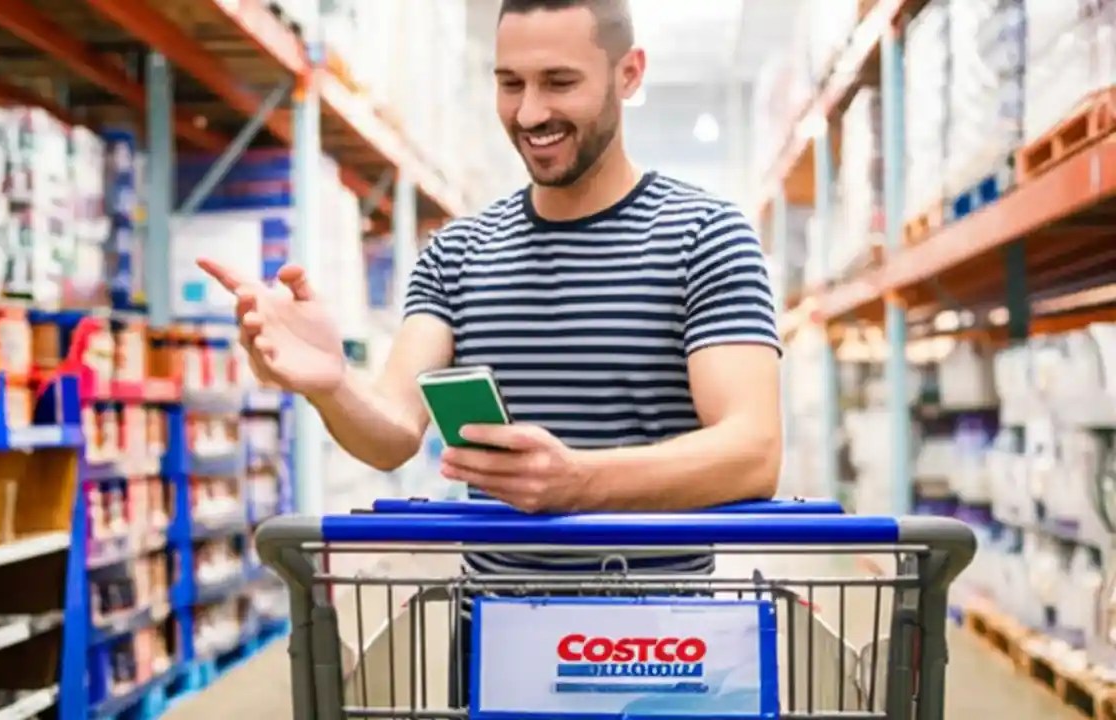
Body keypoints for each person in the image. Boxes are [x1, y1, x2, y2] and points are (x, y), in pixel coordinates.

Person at [200, 0, 782, 701]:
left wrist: (580, 483)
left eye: (559, 82)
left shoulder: (706, 237)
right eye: (511, 83)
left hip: (661, 647)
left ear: (629, 74)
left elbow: (754, 450)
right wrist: (331, 384)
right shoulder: (457, 253)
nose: (530, 112)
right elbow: (390, 433)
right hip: (498, 646)